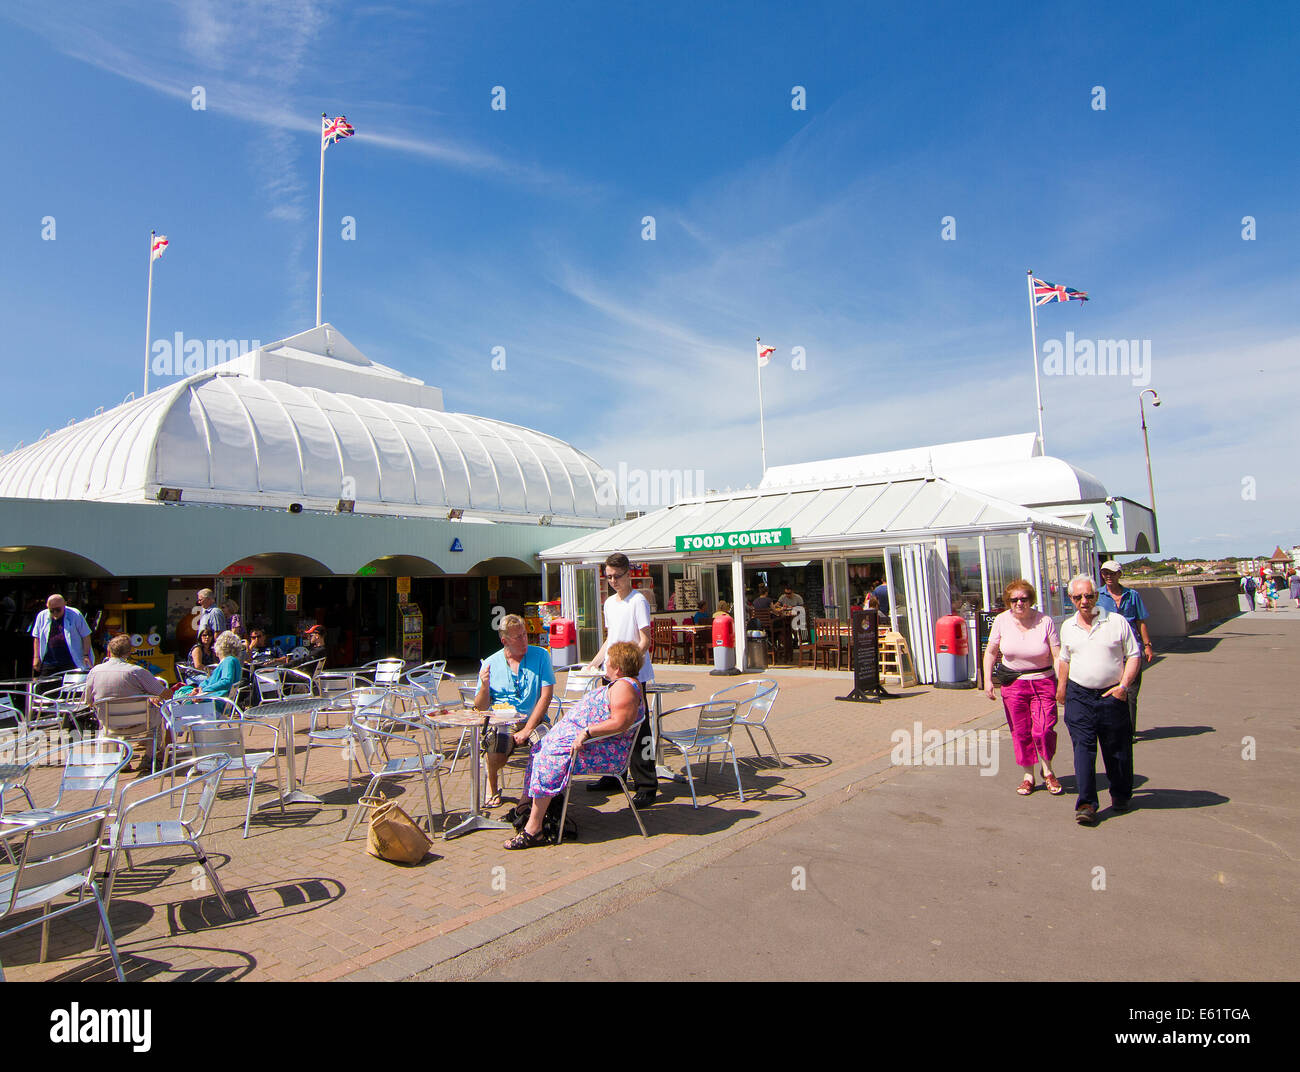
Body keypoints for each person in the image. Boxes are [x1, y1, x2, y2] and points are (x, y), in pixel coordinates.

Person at [504, 641, 646, 849]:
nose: (605, 664)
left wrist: (587, 732)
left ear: (618, 667)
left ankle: (534, 829)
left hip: (600, 750)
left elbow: (620, 722)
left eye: (608, 661)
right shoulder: (621, 684)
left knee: (548, 758)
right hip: (586, 744)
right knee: (541, 750)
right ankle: (528, 811)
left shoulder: (625, 687)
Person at [1056, 574, 1141, 825]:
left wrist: (1123, 686)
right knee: (1083, 749)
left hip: (1111, 694)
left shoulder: (1116, 622)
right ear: (1071, 599)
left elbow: (1134, 655)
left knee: (1117, 749)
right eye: (1078, 597)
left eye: (1089, 595)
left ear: (1097, 596)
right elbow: (1064, 659)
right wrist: (1062, 688)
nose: (1084, 601)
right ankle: (1086, 804)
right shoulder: (1068, 626)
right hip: (1079, 695)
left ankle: (1121, 794)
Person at [582, 552, 655, 806]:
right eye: (608, 576)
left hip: (633, 676)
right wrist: (594, 663)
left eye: (617, 576)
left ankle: (647, 784)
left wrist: (629, 664)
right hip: (611, 675)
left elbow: (644, 639)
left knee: (638, 727)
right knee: (609, 725)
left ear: (628, 574)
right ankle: (614, 774)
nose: (613, 581)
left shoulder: (638, 601)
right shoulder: (609, 603)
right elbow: (610, 639)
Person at [983, 580, 1063, 795]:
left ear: (1031, 600)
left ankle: (1048, 771)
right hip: (1014, 684)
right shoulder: (1001, 620)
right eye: (1014, 599)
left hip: (1043, 681)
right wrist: (988, 680)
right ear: (1008, 602)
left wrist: (1063, 683)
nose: (1019, 603)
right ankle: (1028, 775)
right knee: (1020, 731)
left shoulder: (1045, 621)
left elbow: (1057, 655)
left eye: (1023, 599)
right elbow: (991, 652)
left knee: (1044, 728)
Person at [475, 613, 555, 809]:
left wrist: (528, 729)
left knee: (545, 745)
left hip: (535, 719)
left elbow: (546, 696)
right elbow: (480, 707)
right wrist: (484, 686)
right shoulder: (490, 663)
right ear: (505, 640)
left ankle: (532, 792)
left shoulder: (541, 655)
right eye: (518, 637)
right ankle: (492, 786)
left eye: (525, 634)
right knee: (496, 751)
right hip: (503, 721)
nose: (524, 640)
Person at [84, 634, 172, 769]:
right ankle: (149, 757)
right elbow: (165, 694)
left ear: (109, 651)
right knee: (161, 711)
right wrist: (148, 697)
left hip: (109, 722)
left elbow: (88, 701)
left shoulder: (95, 671)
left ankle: (120, 758)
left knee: (113, 713)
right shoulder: (136, 671)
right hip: (139, 723)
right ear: (129, 652)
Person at [1096, 560, 1154, 738]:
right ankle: (1111, 728)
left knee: (1131, 692)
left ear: (1119, 574)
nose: (1108, 576)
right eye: (1105, 573)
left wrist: (1147, 645)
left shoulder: (1132, 595)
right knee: (1109, 690)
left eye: (1112, 573)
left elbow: (1140, 621)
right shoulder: (1097, 595)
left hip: (1132, 649)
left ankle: (1129, 731)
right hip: (1109, 650)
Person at [30, 594, 94, 676]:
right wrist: (36, 658)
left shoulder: (75, 614)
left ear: (64, 604)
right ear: (47, 606)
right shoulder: (42, 616)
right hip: (49, 660)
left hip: (71, 660)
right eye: (52, 610)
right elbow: (37, 637)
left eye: (58, 610)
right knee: (45, 687)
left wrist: (86, 655)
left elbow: (86, 636)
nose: (55, 613)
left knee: (69, 687)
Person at [179, 630, 244, 700]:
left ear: (220, 647)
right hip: (215, 699)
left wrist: (204, 691)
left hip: (213, 701)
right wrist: (200, 688)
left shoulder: (228, 661)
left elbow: (226, 681)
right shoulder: (232, 661)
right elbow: (210, 680)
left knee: (178, 697)